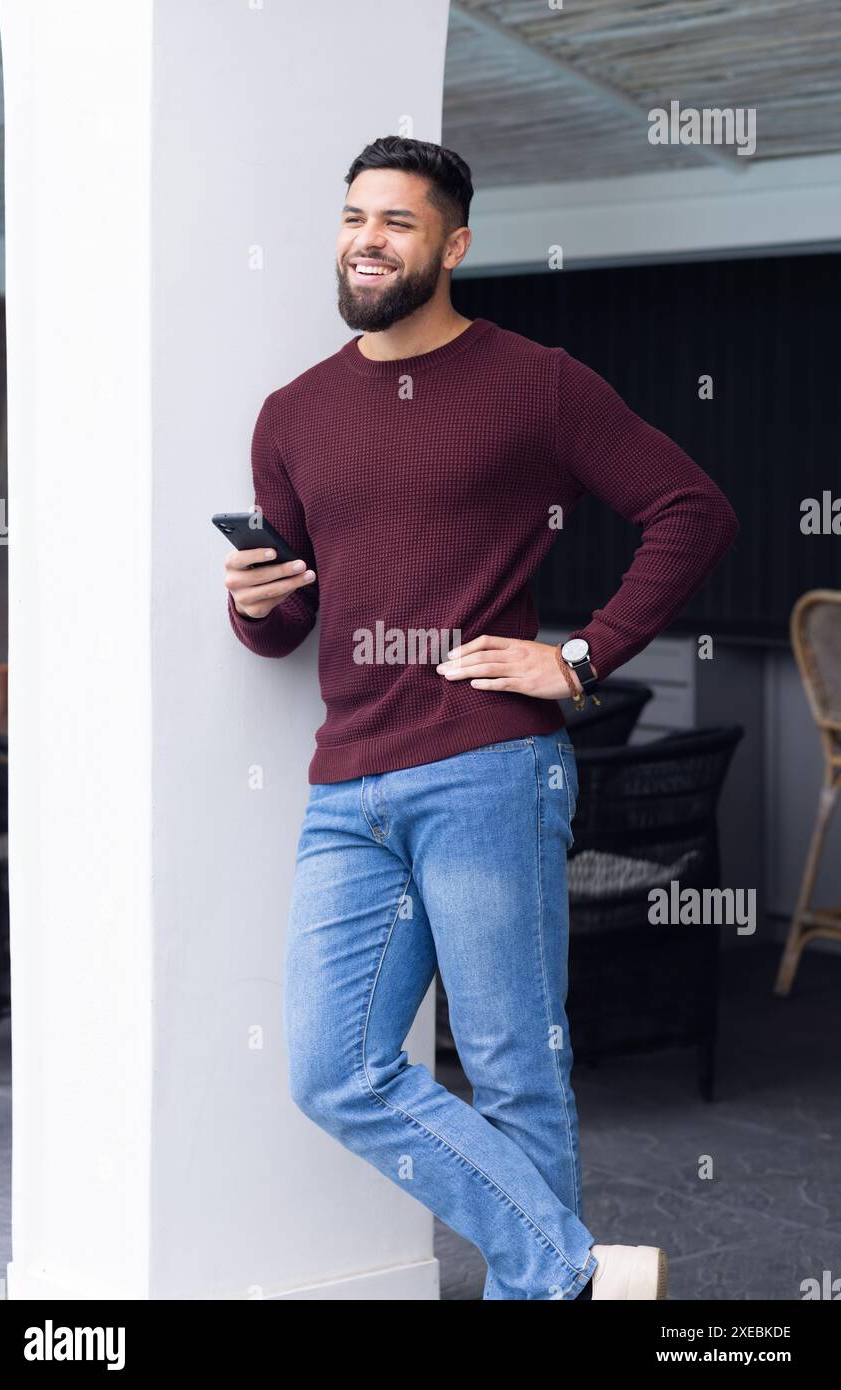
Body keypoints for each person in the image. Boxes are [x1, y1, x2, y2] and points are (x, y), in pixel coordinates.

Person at [223, 135, 739, 1300]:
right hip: (347, 787)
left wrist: (581, 656)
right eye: (355, 216)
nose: (368, 239)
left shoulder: (533, 381)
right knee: (334, 1069)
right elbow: (287, 620)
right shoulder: (291, 413)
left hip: (488, 770)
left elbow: (692, 512)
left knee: (516, 1074)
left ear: (453, 243)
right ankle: (575, 1273)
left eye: (398, 221)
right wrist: (255, 604)